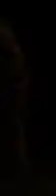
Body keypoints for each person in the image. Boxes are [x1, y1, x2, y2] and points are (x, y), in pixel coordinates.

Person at [0, 19, 28, 180]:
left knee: (13, 126)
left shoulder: (5, 37)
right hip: (10, 85)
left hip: (11, 86)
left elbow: (16, 61)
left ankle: (18, 167)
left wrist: (18, 85)